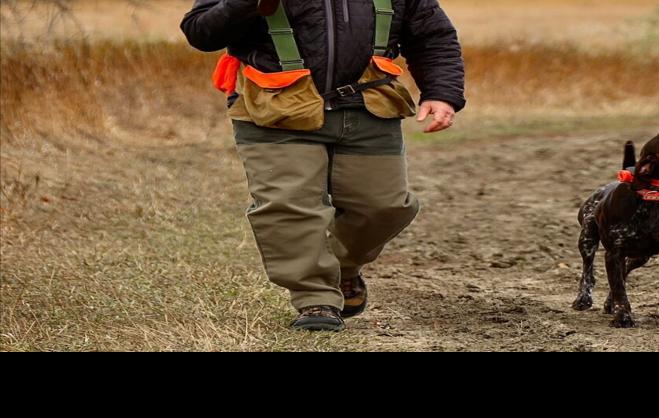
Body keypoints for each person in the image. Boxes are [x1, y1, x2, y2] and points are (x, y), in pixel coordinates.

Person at [182, 0, 466, 331]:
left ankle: (342, 269)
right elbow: (201, 32)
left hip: (368, 105)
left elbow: (433, 36)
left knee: (383, 207)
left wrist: (442, 93)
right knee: (288, 207)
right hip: (274, 109)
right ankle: (315, 299)